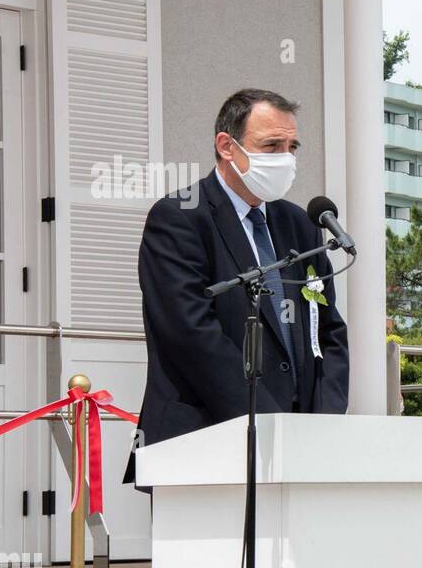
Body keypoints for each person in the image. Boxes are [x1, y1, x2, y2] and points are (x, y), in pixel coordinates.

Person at [123, 89, 349, 486]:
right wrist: (265, 421)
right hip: (205, 436)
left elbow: (329, 332)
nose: (286, 158)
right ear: (227, 146)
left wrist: (322, 423)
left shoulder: (299, 224)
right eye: (271, 145)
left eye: (292, 146)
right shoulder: (179, 218)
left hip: (301, 446)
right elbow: (190, 334)